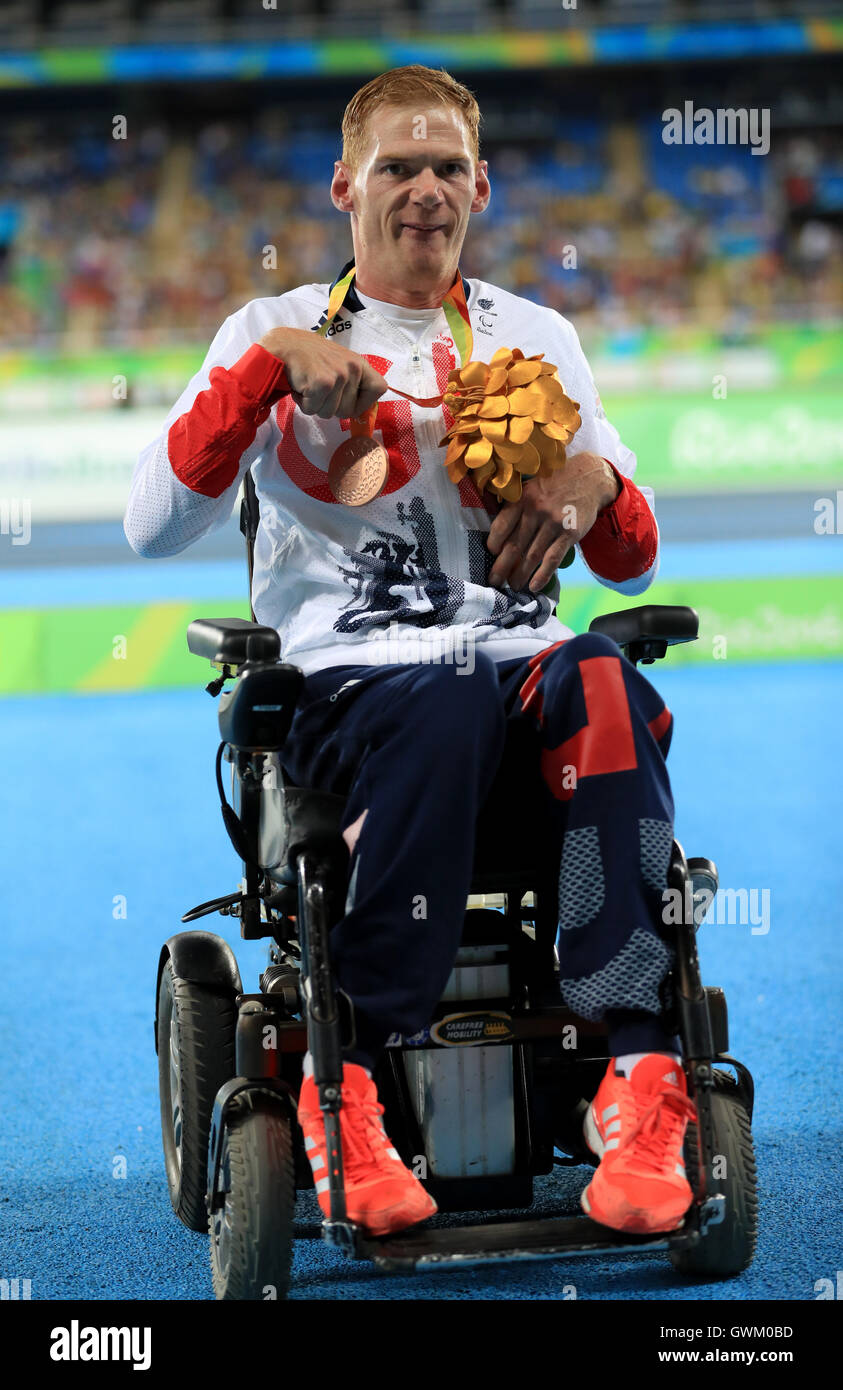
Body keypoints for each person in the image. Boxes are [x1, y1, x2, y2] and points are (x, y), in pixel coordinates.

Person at [125, 65, 696, 1241]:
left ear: (479, 187)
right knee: (442, 690)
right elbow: (150, 524)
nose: (425, 189)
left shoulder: (536, 334)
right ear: (347, 185)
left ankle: (641, 1071)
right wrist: (265, 369)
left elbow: (633, 562)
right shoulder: (268, 328)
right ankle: (348, 1082)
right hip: (352, 687)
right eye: (398, 166)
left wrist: (594, 481)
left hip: (520, 671)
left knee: (602, 669)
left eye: (447, 168)